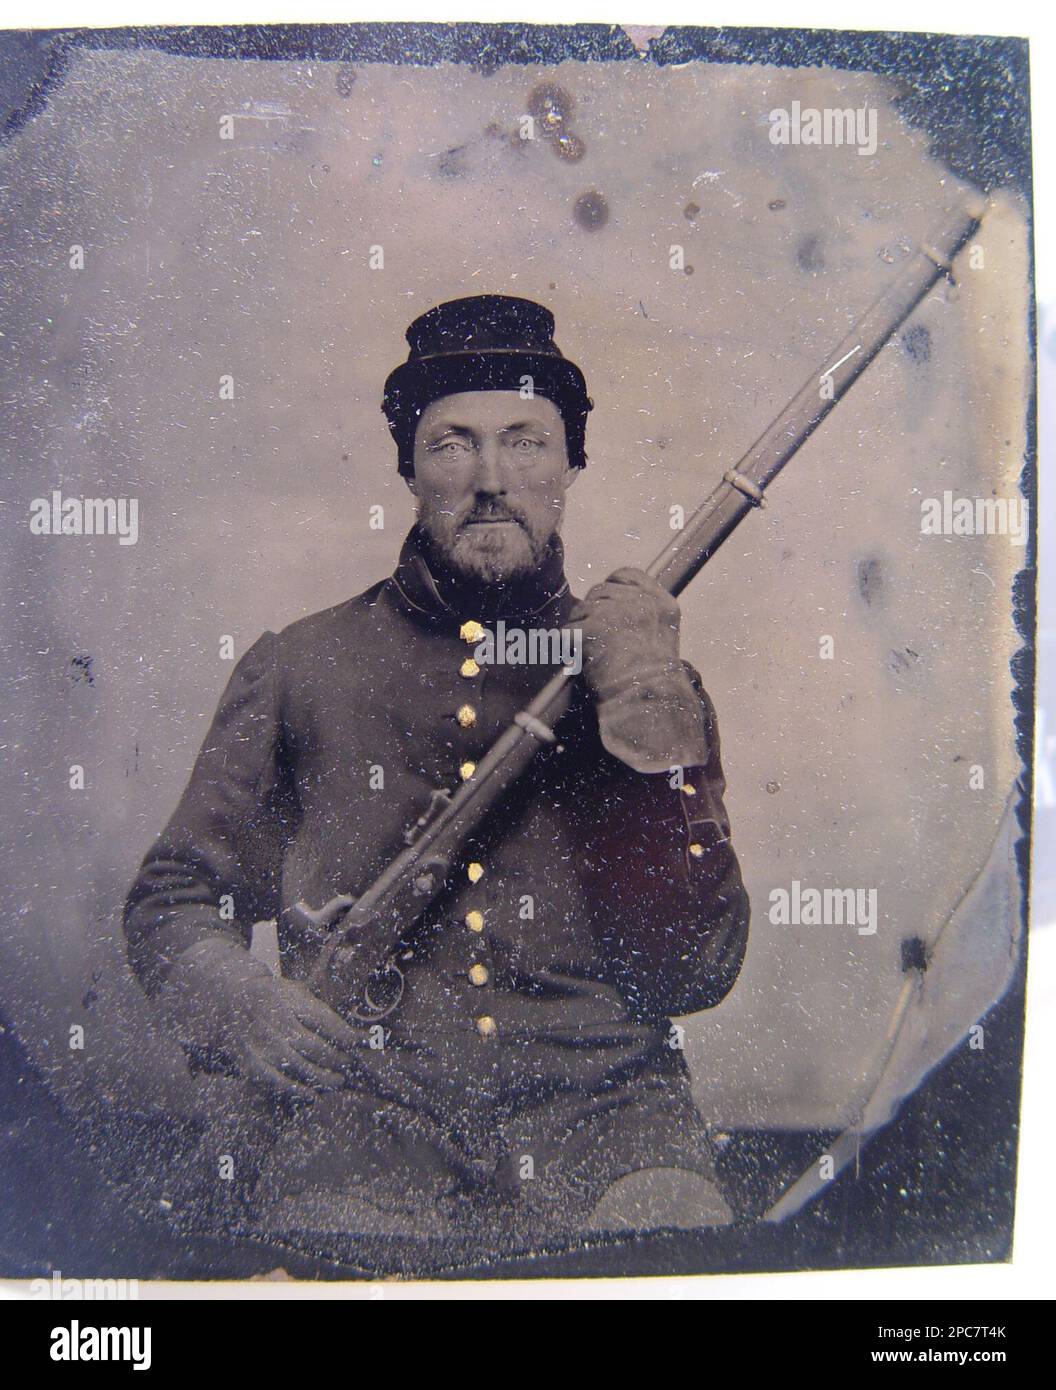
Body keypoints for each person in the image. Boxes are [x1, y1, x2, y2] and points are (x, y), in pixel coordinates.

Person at [123, 294, 750, 1245]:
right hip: (367, 1118)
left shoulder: (648, 676)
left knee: (675, 1249)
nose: (491, 479)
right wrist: (240, 1003)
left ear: (571, 465)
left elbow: (694, 973)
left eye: (527, 442)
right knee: (334, 1249)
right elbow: (174, 898)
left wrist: (645, 708)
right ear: (410, 470)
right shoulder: (300, 665)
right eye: (453, 444)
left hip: (609, 1120)